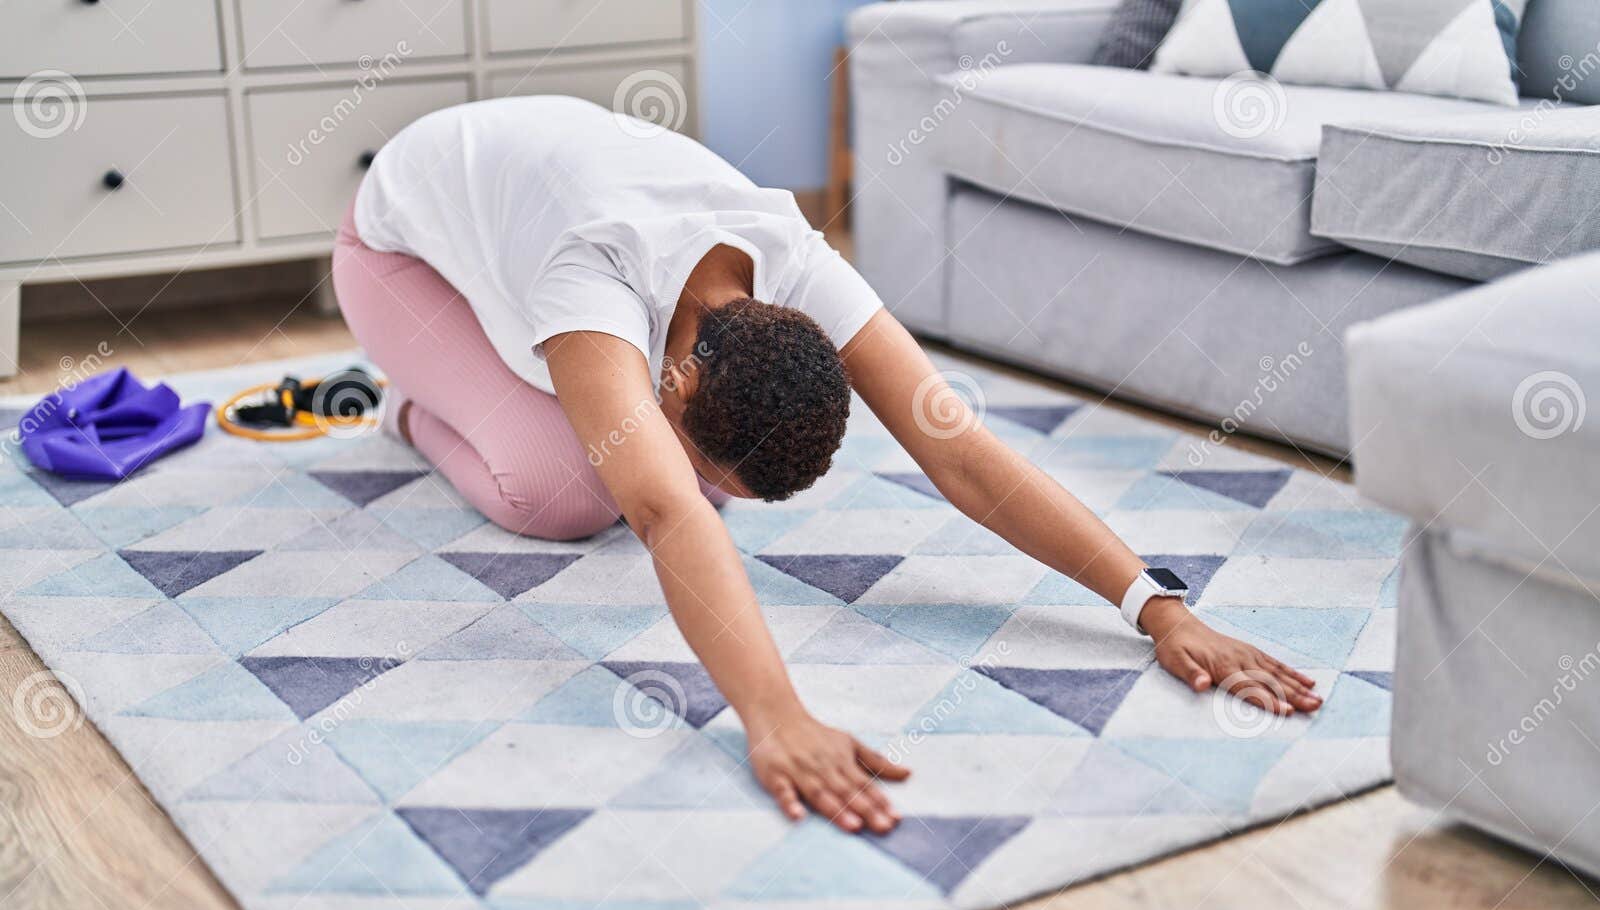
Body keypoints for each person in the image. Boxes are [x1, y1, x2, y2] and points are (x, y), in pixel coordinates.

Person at [332, 96, 1321, 837]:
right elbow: (667, 513)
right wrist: (775, 716)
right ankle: (415, 408)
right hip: (402, 257)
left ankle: (523, 405)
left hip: (528, 212)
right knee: (567, 491)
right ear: (670, 387)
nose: (710, 490)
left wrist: (1157, 606)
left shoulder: (790, 259)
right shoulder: (590, 270)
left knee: (661, 470)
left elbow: (964, 455)